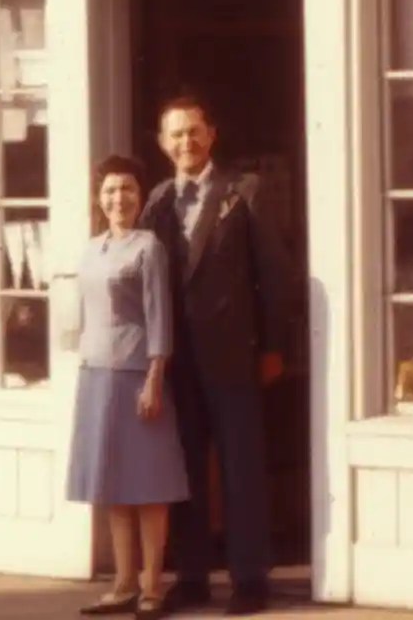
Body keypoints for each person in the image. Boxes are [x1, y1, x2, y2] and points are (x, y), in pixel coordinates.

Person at [140, 96, 292, 616]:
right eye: (176, 135)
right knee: (182, 469)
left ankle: (250, 579)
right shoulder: (157, 201)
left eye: (194, 132)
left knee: (241, 466)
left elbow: (274, 274)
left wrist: (274, 346)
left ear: (212, 135)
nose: (186, 142)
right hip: (176, 360)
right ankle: (194, 575)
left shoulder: (244, 192)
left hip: (234, 356)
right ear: (163, 144)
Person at [66, 154, 189, 620]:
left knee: (149, 487)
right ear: (100, 199)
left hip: (138, 375)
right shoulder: (91, 249)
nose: (120, 199)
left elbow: (160, 317)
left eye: (128, 190)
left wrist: (155, 377)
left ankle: (152, 586)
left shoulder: (148, 247)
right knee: (114, 486)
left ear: (141, 197)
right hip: (96, 374)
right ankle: (121, 583)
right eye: (111, 191)